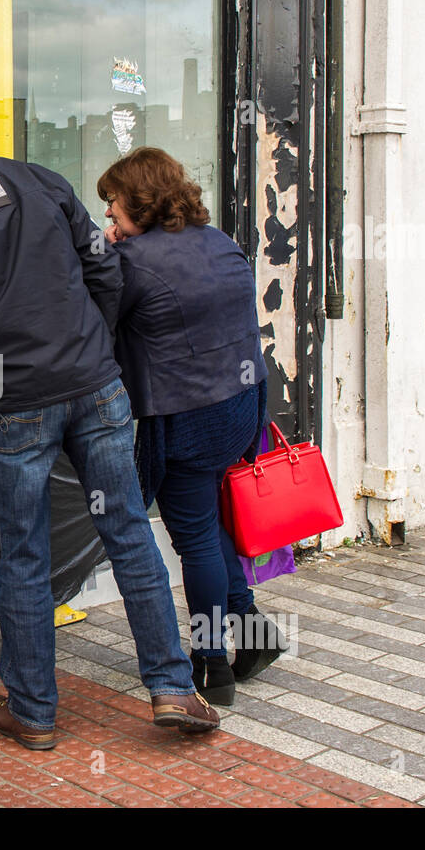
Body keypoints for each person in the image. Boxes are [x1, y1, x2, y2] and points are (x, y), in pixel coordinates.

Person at [0, 103, 218, 749]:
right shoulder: (41, 179)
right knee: (128, 531)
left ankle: (34, 709)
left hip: (16, 402)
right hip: (94, 384)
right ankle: (173, 685)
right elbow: (104, 270)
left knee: (25, 554)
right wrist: (94, 346)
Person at [99, 147, 287, 705]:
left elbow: (98, 325)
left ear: (139, 201)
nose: (109, 218)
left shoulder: (131, 264)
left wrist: (109, 257)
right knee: (210, 522)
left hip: (186, 417)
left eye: (113, 206)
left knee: (196, 537)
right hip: (241, 405)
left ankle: (211, 666)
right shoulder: (220, 241)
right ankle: (252, 633)